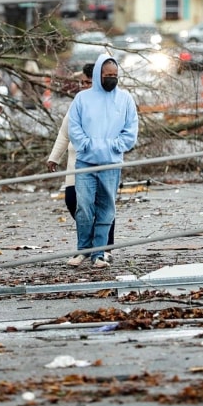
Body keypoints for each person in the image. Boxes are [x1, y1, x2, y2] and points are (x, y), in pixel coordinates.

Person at [65, 54, 138, 269]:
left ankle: (99, 254)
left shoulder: (125, 99)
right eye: (107, 75)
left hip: (111, 163)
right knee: (84, 208)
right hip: (86, 163)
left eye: (115, 75)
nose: (111, 79)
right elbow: (74, 128)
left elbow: (131, 130)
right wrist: (87, 145)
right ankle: (83, 250)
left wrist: (115, 147)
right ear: (98, 75)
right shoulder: (82, 99)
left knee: (106, 209)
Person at [46, 63, 116, 262]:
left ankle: (105, 248)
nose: (84, 86)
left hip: (101, 162)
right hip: (75, 163)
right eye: (82, 82)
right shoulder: (78, 102)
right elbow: (64, 132)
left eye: (88, 82)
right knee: (73, 201)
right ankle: (89, 244)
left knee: (104, 205)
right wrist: (54, 157)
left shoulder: (109, 101)